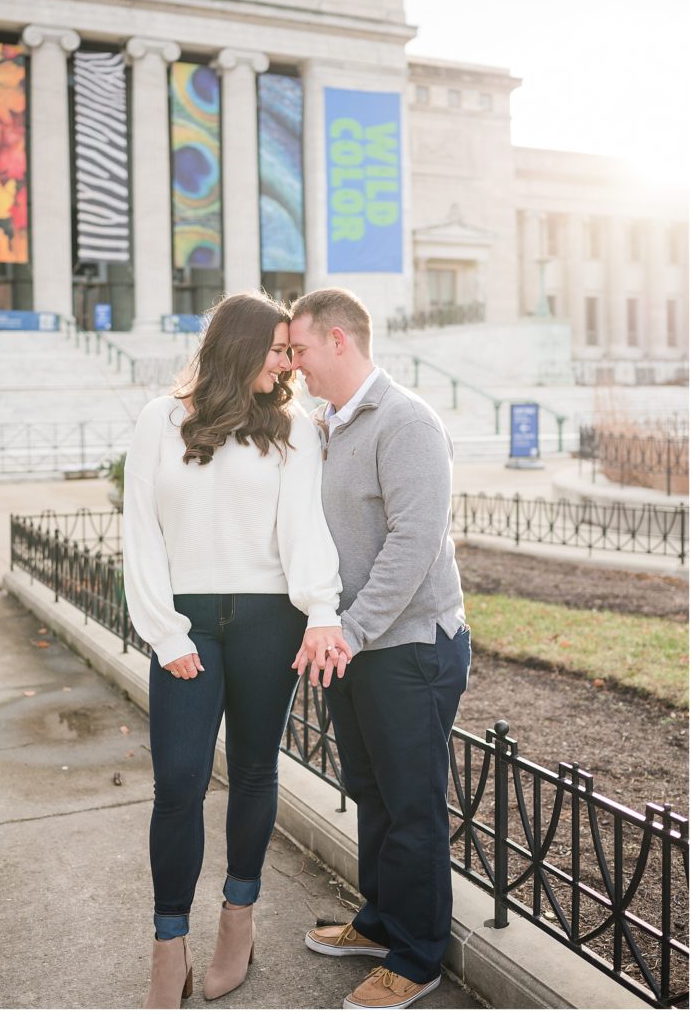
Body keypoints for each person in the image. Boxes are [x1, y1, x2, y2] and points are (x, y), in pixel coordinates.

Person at [122, 292, 351, 1008]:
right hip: (185, 623)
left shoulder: (292, 427)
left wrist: (320, 609)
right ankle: (169, 944)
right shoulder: (160, 420)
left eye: (291, 351)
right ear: (239, 346)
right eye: (278, 350)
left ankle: (238, 919)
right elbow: (140, 531)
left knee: (254, 770)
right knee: (178, 782)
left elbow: (304, 526)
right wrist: (164, 631)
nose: (288, 364)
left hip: (268, 619)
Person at [288, 287, 471, 1011]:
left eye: (300, 349)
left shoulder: (406, 421)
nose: (294, 364)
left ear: (339, 340)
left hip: (408, 646)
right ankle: (380, 923)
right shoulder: (328, 426)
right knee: (371, 793)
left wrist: (351, 631)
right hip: (354, 645)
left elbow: (413, 544)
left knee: (412, 805)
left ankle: (418, 957)